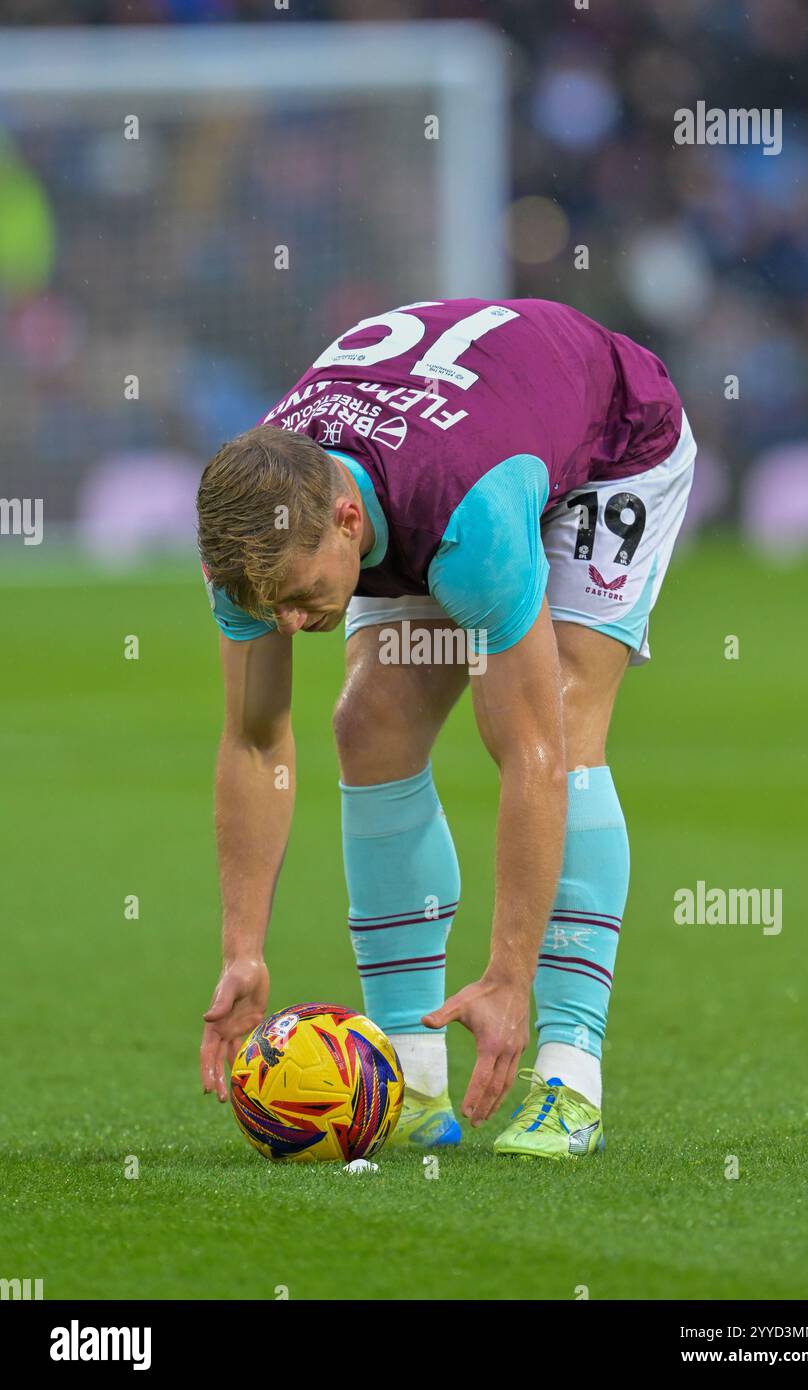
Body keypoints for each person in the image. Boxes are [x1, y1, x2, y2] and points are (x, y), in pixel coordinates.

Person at [196, 297, 695, 1160]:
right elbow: (254, 738)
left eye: (299, 597)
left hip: (609, 444)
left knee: (566, 724)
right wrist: (243, 949)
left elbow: (531, 761)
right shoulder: (252, 537)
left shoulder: (472, 525)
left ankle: (571, 1080)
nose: (282, 625)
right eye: (261, 605)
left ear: (347, 521)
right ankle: (412, 1077)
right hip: (451, 444)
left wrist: (509, 976)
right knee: (369, 722)